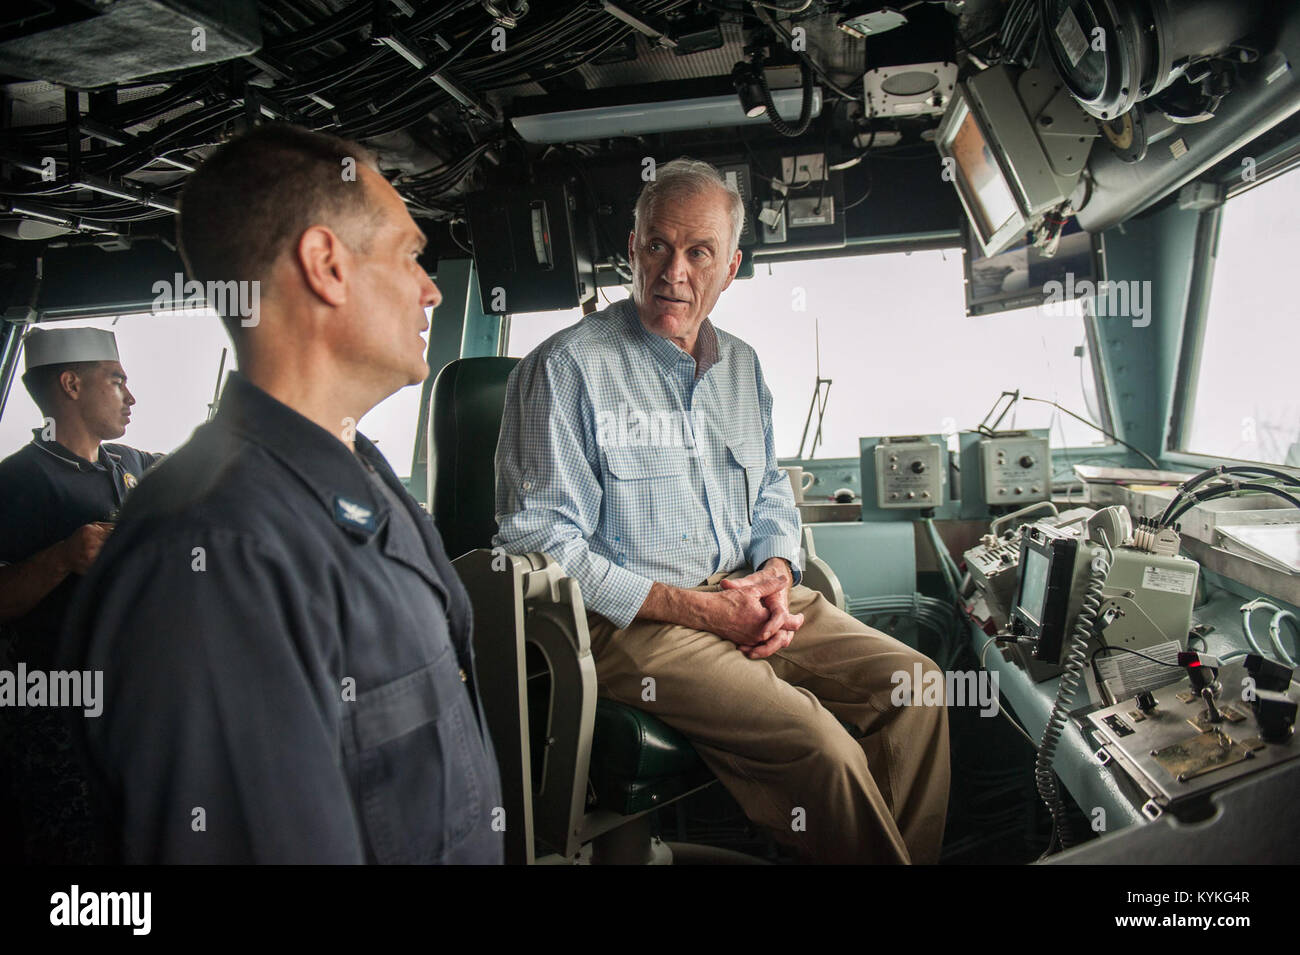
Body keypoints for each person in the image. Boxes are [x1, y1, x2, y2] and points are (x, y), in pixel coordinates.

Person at [58, 123, 503, 863]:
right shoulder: (212, 559)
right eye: (411, 255)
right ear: (326, 265)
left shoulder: (364, 475)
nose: (430, 288)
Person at [494, 158, 950, 864]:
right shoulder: (565, 368)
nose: (672, 271)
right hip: (637, 627)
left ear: (730, 267)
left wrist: (774, 569)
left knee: (917, 685)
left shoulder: (742, 366)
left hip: (752, 596)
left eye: (698, 252)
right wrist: (705, 612)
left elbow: (769, 489)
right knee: (825, 752)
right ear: (632, 247)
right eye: (656, 246)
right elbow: (546, 548)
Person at [0, 327, 160, 863]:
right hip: (56, 712)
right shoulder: (19, 481)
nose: (131, 397)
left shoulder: (131, 466)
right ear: (70, 384)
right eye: (116, 381)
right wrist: (64, 557)